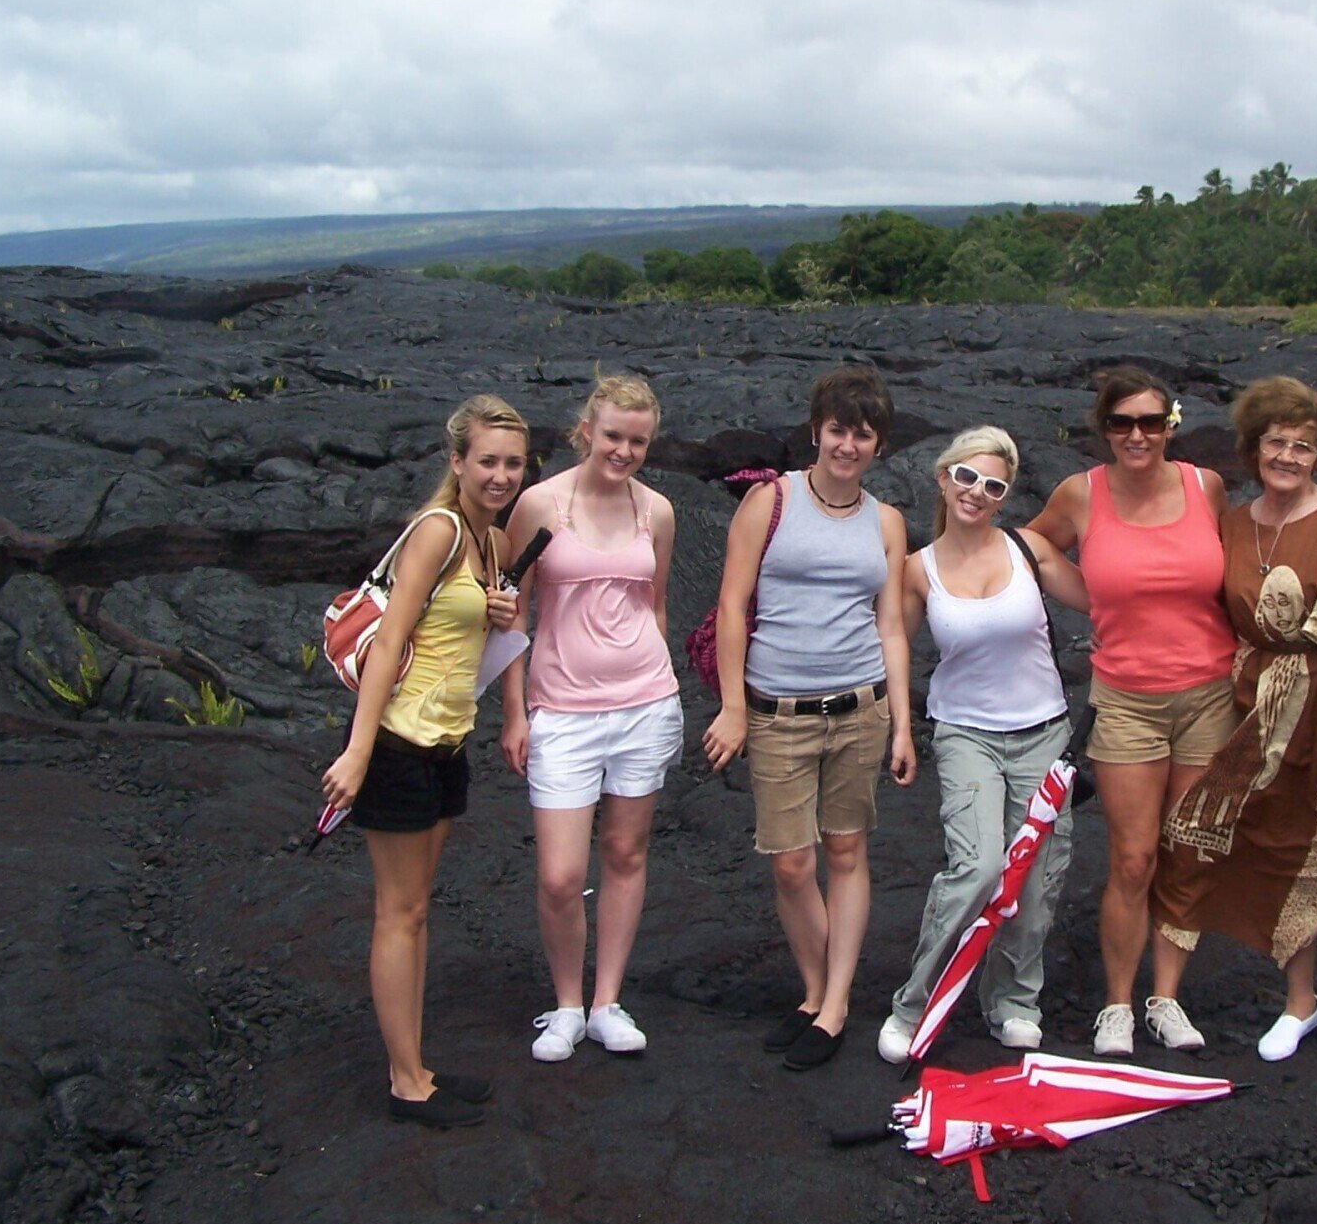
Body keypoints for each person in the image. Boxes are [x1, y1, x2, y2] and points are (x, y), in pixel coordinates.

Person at [1151, 376, 1317, 1067]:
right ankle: (1299, 1002)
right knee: (1282, 849)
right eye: (1276, 443)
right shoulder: (1232, 524)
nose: (1288, 455)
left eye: (1303, 445)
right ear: (1252, 449)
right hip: (1260, 710)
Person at [321, 395, 529, 1127]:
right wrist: (356, 750)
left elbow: (461, 628)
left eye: (513, 462)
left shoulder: (489, 540)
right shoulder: (438, 531)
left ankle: (417, 1065)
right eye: (488, 462)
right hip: (400, 747)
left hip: (445, 745)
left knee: (416, 912)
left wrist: (495, 612)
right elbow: (388, 645)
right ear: (457, 462)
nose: (502, 475)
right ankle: (405, 1082)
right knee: (399, 914)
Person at [702, 365, 916, 1070]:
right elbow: (732, 605)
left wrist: (904, 725)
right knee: (792, 864)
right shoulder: (770, 500)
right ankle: (819, 990)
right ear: (815, 431)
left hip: (860, 709)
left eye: (863, 434)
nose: (847, 446)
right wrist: (733, 707)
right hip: (776, 709)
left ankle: (831, 1004)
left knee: (847, 852)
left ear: (878, 445)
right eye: (837, 430)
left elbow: (890, 627)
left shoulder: (886, 521)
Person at [1027, 367, 1238, 1057]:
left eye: (1151, 421)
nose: (1138, 435)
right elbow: (1031, 544)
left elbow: (1231, 571)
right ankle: (1117, 1005)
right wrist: (1094, 600)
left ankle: (1166, 998)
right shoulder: (1080, 494)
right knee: (1133, 857)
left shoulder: (1205, 486)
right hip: (1125, 703)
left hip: (1208, 697)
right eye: (1123, 423)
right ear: (1105, 429)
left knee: (1185, 855)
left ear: (1171, 425)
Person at [876, 428, 1090, 1064]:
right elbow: (895, 641)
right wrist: (898, 728)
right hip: (966, 734)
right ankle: (913, 1004)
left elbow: (1105, 601)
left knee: (1040, 874)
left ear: (1004, 497)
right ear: (942, 478)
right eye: (966, 477)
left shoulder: (1029, 549)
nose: (977, 492)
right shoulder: (917, 569)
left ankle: (1015, 999)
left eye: (993, 485)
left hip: (1044, 732)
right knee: (979, 868)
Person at [500, 375, 682, 1064]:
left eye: (637, 440)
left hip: (643, 705)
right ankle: (565, 1004)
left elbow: (656, 602)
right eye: (612, 436)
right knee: (559, 873)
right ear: (585, 431)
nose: (624, 450)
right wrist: (515, 713)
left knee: (626, 854)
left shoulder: (657, 512)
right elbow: (514, 610)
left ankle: (606, 1001)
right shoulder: (539, 506)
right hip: (562, 711)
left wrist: (655, 679)